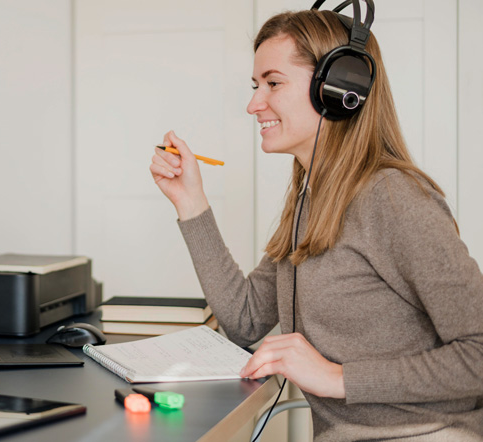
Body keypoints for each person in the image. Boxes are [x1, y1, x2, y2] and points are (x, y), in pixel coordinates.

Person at [149, 7, 483, 441]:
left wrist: (337, 377)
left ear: (339, 88)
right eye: (256, 85)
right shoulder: (312, 198)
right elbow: (246, 320)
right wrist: (190, 201)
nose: (254, 104)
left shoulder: (393, 198)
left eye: (273, 83)